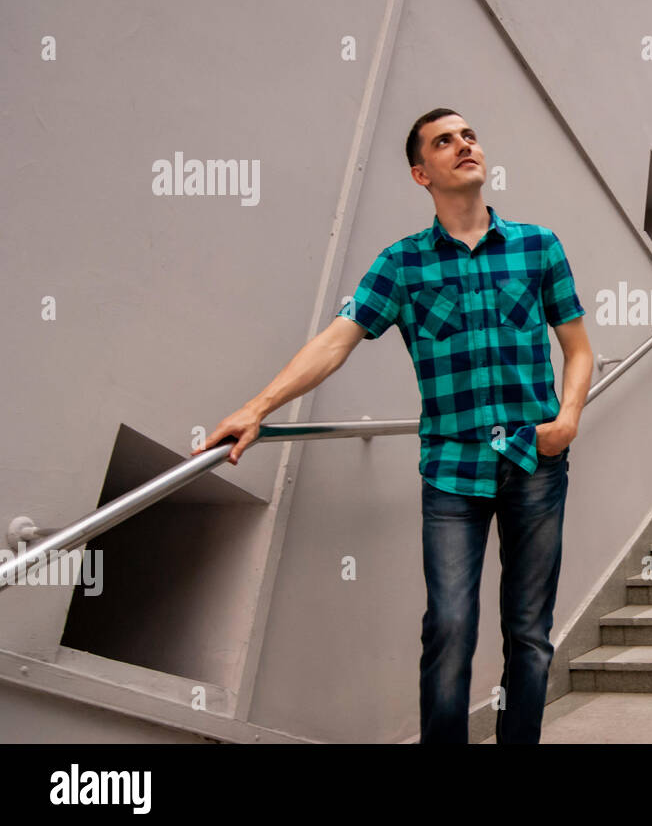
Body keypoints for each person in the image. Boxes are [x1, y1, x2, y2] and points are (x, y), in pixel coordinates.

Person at [195, 107, 593, 744]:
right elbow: (336, 341)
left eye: (469, 134)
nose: (464, 145)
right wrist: (257, 408)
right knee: (450, 627)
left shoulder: (538, 246)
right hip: (452, 475)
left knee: (528, 631)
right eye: (444, 141)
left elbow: (577, 346)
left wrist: (567, 417)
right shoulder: (402, 265)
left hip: (535, 465)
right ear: (421, 173)